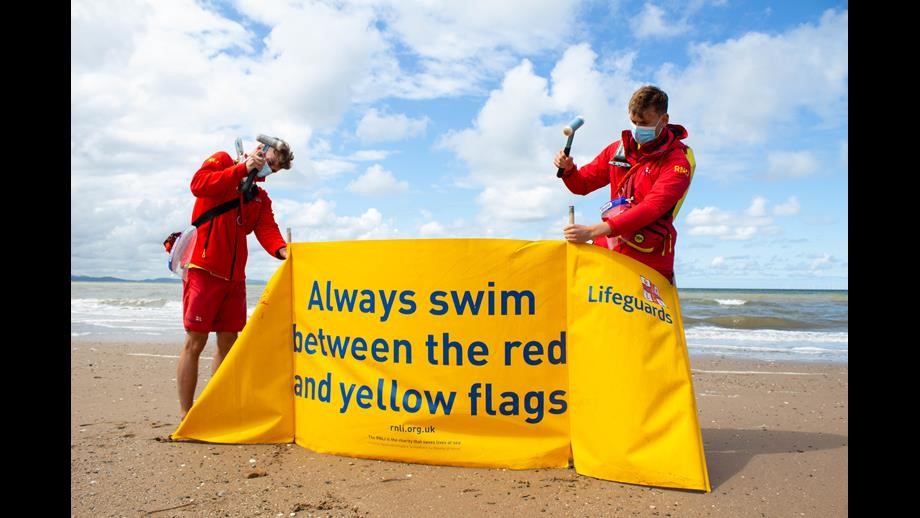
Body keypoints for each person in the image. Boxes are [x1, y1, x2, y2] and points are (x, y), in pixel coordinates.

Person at [177, 137, 294, 419]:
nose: (270, 171)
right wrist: (241, 169)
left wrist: (285, 252)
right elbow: (198, 185)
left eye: (275, 170)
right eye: (271, 163)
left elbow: (267, 230)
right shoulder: (221, 162)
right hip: (204, 269)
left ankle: (215, 408)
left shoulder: (259, 197)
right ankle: (186, 414)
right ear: (261, 150)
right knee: (196, 342)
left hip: (235, 278)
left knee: (229, 341)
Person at [554, 85, 694, 283]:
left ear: (664, 120)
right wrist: (569, 170)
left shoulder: (678, 162)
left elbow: (653, 207)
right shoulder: (617, 149)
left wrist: (592, 231)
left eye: (644, 123)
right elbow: (582, 185)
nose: (637, 128)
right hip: (610, 251)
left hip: (649, 260)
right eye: (633, 122)